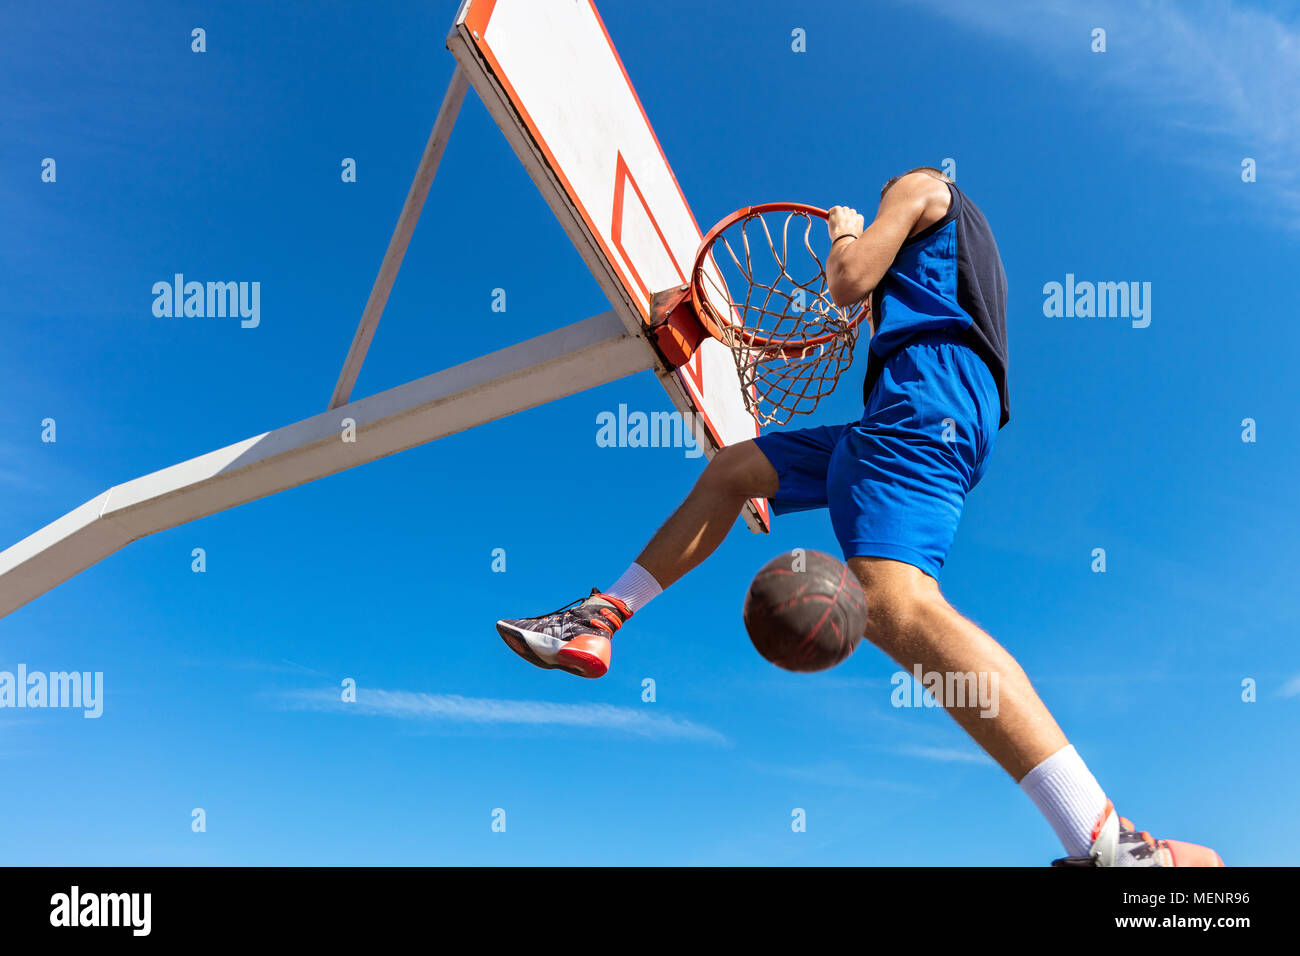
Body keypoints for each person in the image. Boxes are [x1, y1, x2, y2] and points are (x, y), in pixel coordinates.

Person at [496, 168, 1223, 868]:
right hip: (905, 408)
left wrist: (848, 234)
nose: (880, 206)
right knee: (733, 472)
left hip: (930, 398)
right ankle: (599, 614)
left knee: (890, 600)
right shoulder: (953, 269)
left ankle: (1110, 844)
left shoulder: (921, 185)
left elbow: (848, 278)